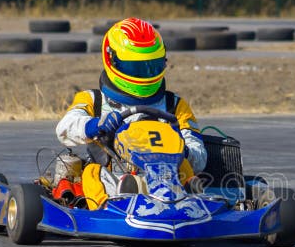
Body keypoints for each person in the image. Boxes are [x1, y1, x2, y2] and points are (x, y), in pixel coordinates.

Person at [56, 17, 206, 207]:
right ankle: (106, 208)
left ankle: (194, 200)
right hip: (113, 176)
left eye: (151, 66)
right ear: (111, 60)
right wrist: (95, 125)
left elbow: (200, 156)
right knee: (91, 171)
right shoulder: (94, 100)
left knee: (184, 163)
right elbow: (64, 128)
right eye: (135, 67)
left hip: (169, 177)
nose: (144, 73)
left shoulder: (174, 105)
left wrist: (181, 148)